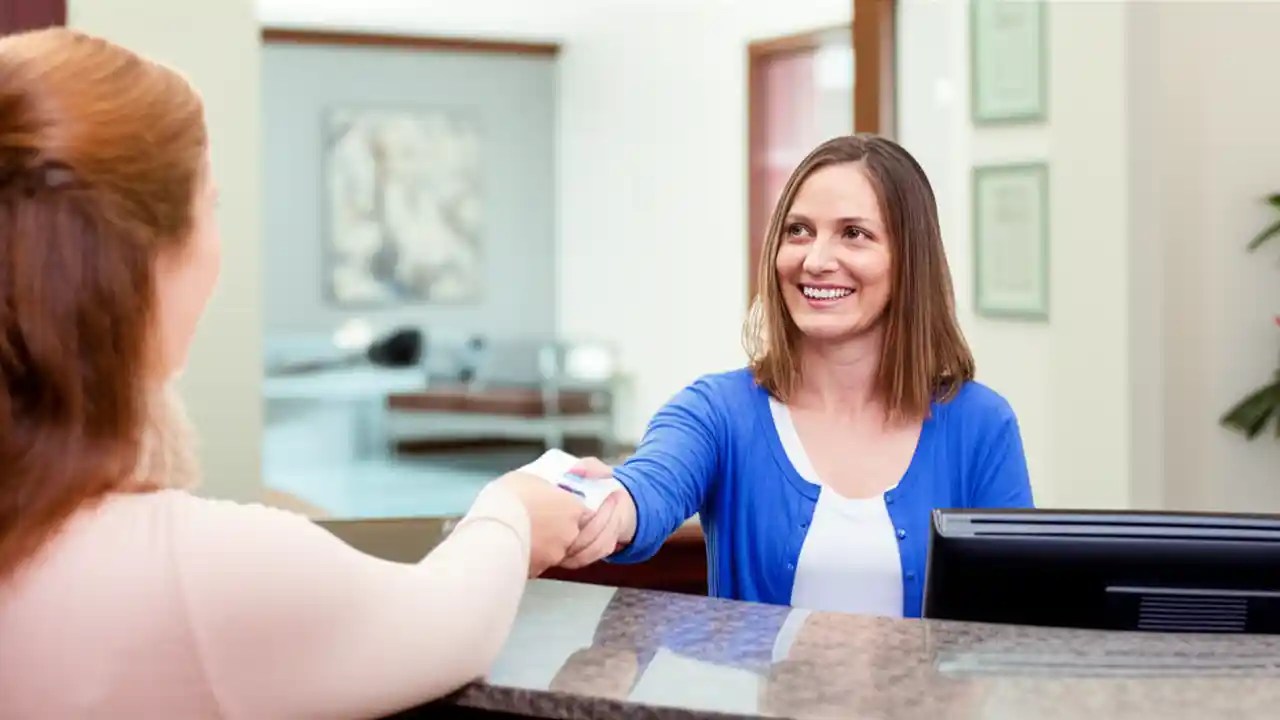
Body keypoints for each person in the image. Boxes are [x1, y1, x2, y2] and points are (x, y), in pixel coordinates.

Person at [0, 28, 586, 718]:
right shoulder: (195, 573)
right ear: (145, 259)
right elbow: (448, 622)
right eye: (209, 206)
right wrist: (513, 512)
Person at [561, 134, 1034, 618]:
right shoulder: (717, 413)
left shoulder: (982, 424)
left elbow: (1018, 615)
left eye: (854, 233)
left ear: (909, 261)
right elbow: (652, 486)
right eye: (799, 231)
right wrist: (617, 503)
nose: (816, 260)